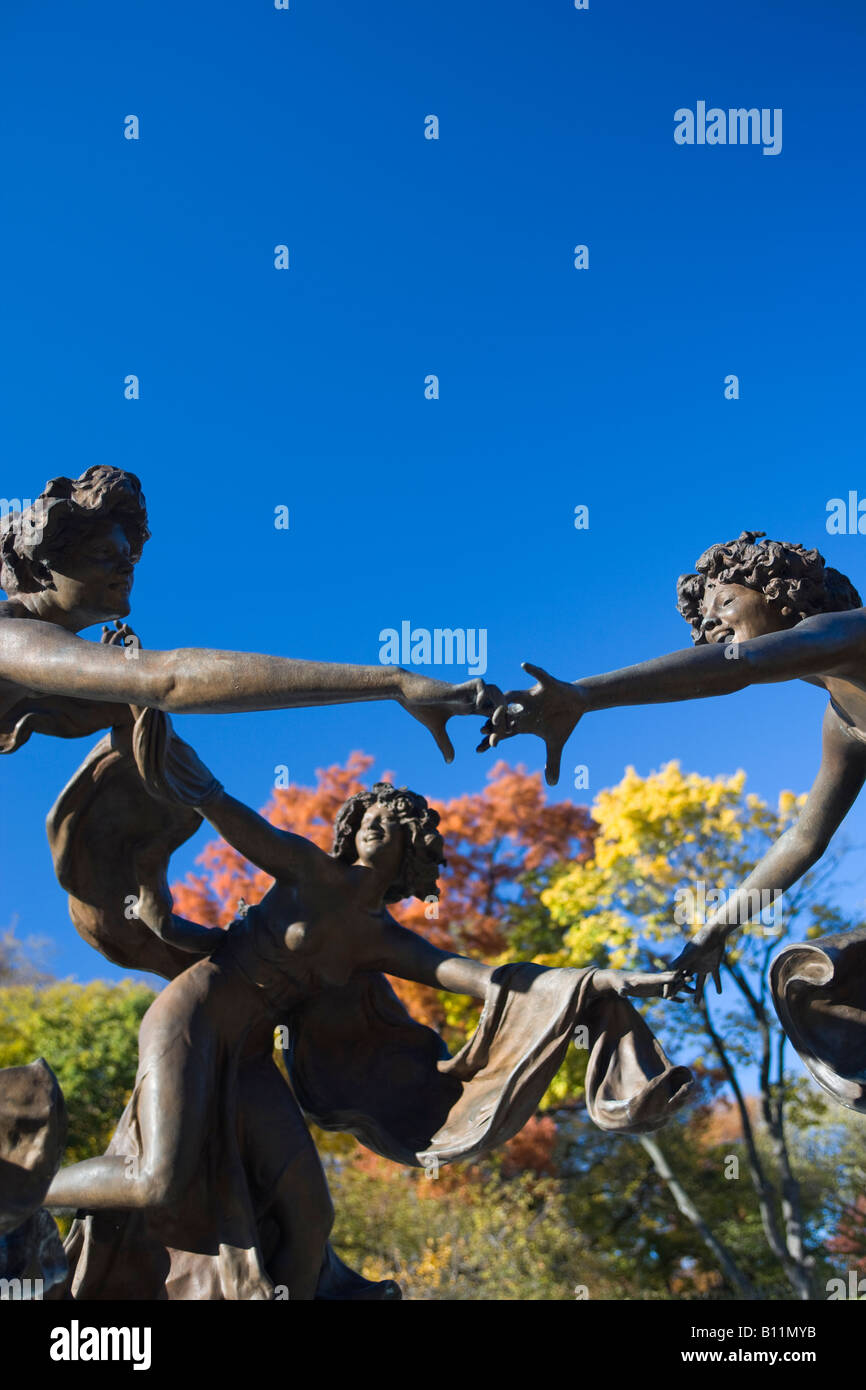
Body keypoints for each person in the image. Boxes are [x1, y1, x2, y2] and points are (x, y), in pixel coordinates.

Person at [45, 709, 693, 1300]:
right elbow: (232, 815)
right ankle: (20, 1189)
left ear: (409, 850)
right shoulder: (310, 871)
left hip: (247, 1059)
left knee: (309, 1213)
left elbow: (490, 978)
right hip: (191, 1021)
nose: (370, 830)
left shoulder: (382, 940)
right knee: (156, 1178)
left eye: (388, 826)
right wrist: (179, 765)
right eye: (366, 821)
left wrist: (598, 981)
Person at [480, 531, 866, 999]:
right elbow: (805, 838)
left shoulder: (853, 631)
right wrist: (716, 929)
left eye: (725, 601)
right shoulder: (843, 724)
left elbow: (741, 665)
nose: (711, 628)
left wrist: (586, 695)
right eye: (703, 623)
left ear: (785, 595)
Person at [0, 465, 497, 761]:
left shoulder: (54, 667)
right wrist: (392, 681)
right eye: (106, 556)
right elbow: (167, 681)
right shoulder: (8, 635)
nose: (127, 567)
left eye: (130, 555)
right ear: (44, 570)